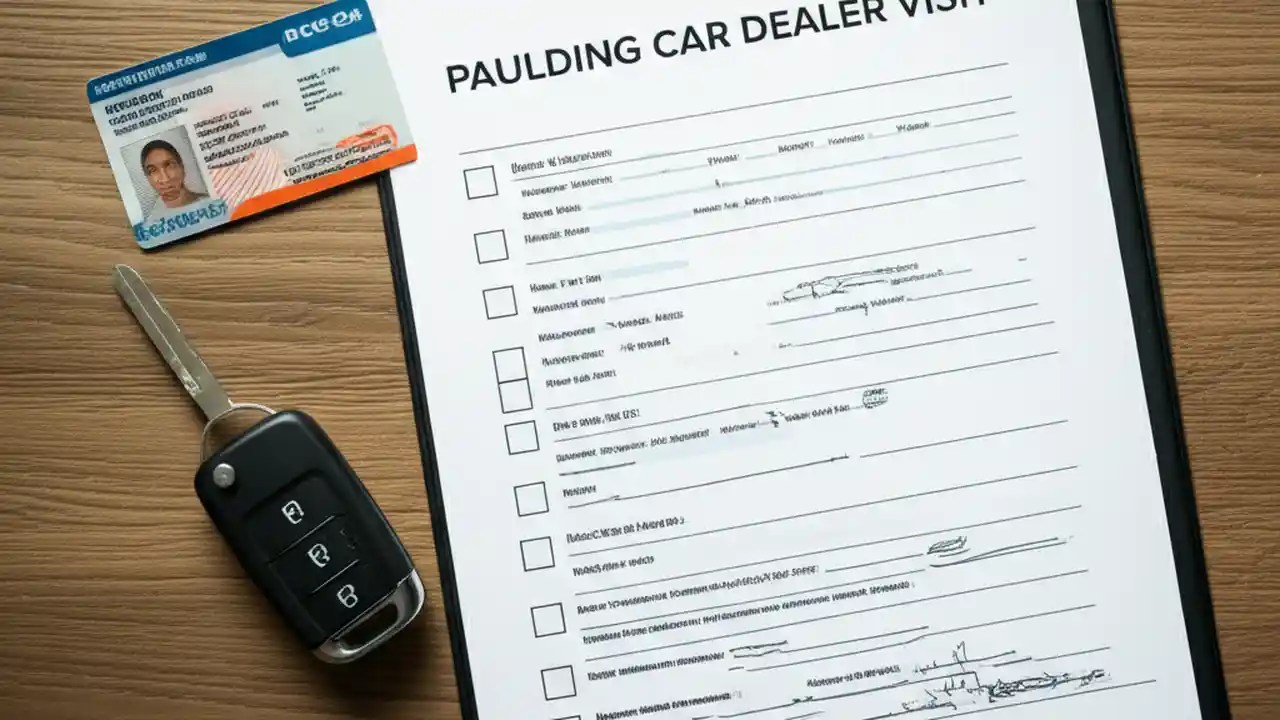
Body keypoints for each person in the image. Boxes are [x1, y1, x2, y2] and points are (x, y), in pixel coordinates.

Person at [139, 139, 207, 220]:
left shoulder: (210, 201)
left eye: (169, 165)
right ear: (147, 178)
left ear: (182, 167)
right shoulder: (152, 222)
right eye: (153, 170)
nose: (165, 179)